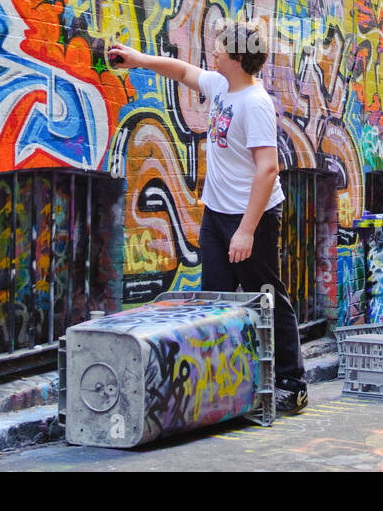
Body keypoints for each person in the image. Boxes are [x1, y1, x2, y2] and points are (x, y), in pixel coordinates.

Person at [107, 22, 308, 414]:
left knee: (267, 296)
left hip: (253, 216)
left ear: (235, 58)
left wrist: (247, 231)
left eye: (218, 50)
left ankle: (291, 382)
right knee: (216, 301)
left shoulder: (254, 103)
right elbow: (181, 71)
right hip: (217, 215)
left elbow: (268, 169)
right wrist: (137, 60)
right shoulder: (220, 85)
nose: (211, 54)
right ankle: (227, 382)